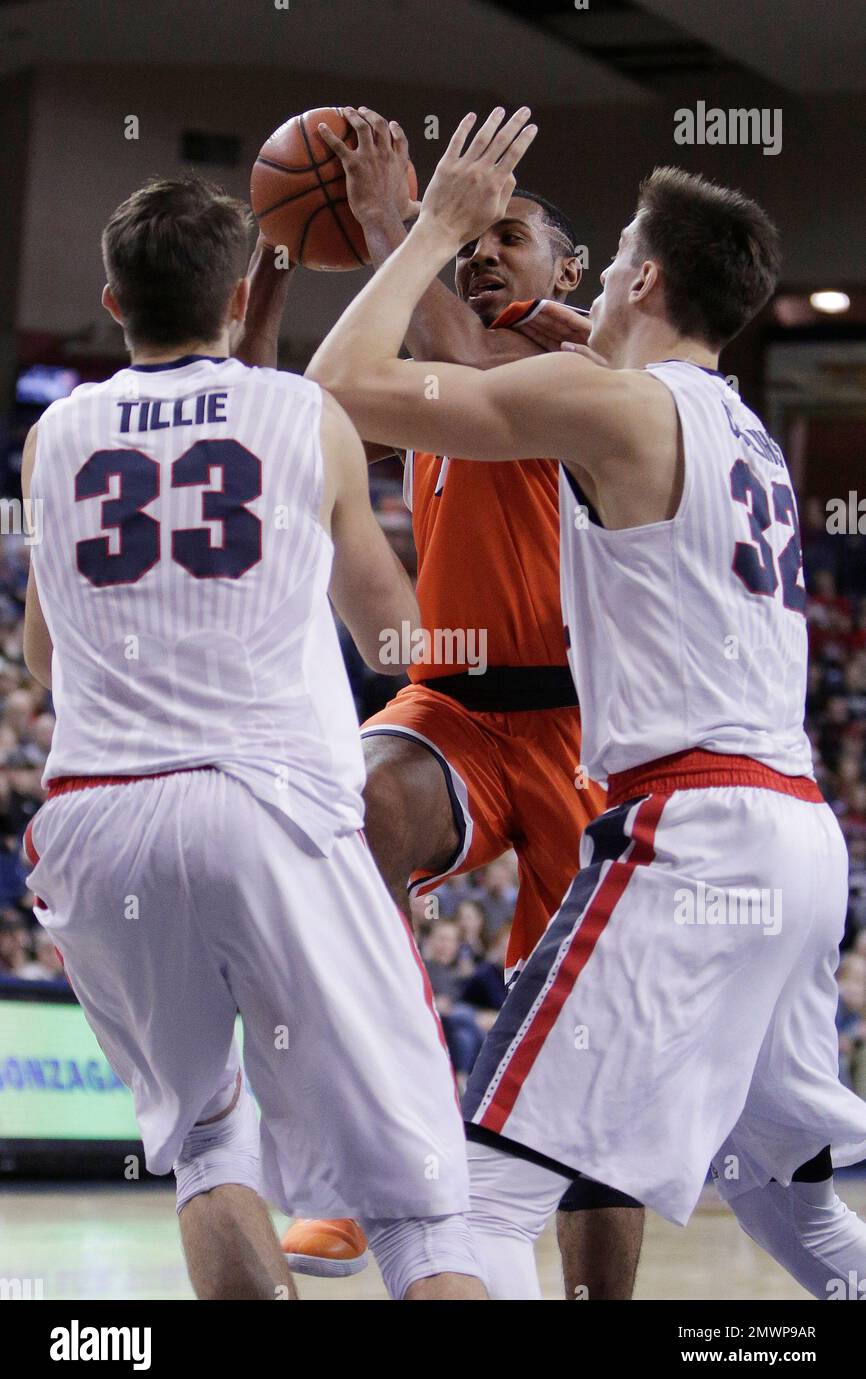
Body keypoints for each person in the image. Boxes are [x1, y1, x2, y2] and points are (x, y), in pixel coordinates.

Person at [307, 105, 866, 1299]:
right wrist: (407, 234)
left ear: (632, 277)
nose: (600, 274)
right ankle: (371, 1091)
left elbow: (341, 382)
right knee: (795, 1209)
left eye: (610, 256)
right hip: (793, 837)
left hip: (673, 814)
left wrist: (409, 225)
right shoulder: (740, 428)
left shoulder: (602, 397)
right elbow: (459, 348)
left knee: (476, 1201)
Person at [20, 175, 486, 1302]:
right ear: (238, 296)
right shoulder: (304, 415)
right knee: (419, 1204)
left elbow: (44, 662)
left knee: (205, 1145)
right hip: (268, 804)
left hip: (96, 820)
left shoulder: (53, 436)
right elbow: (392, 634)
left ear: (112, 299)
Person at [250, 106, 644, 1297]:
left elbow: (461, 356)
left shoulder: (576, 365)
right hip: (455, 705)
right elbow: (289, 434)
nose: (481, 248)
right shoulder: (425, 357)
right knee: (354, 803)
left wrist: (397, 224)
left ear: (568, 272)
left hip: (588, 726)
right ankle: (393, 1131)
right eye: (473, 238)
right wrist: (260, 309)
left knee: (586, 1081)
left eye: (508, 234)